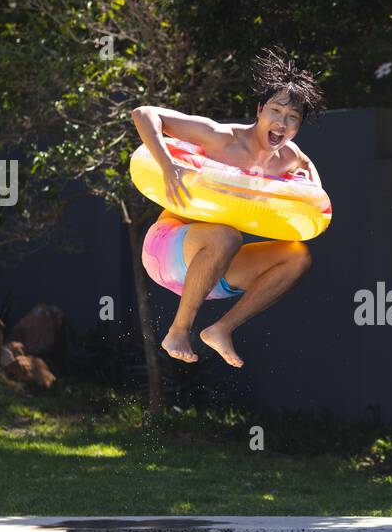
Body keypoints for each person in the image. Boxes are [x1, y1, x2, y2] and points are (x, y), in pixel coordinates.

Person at [131, 48, 326, 368]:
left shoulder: (289, 158)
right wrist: (168, 166)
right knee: (226, 236)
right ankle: (179, 330)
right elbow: (144, 114)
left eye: (292, 118)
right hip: (166, 251)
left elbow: (313, 185)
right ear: (260, 109)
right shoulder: (221, 139)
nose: (282, 123)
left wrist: (307, 182)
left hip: (213, 276)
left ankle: (221, 329)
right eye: (276, 111)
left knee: (298, 258)